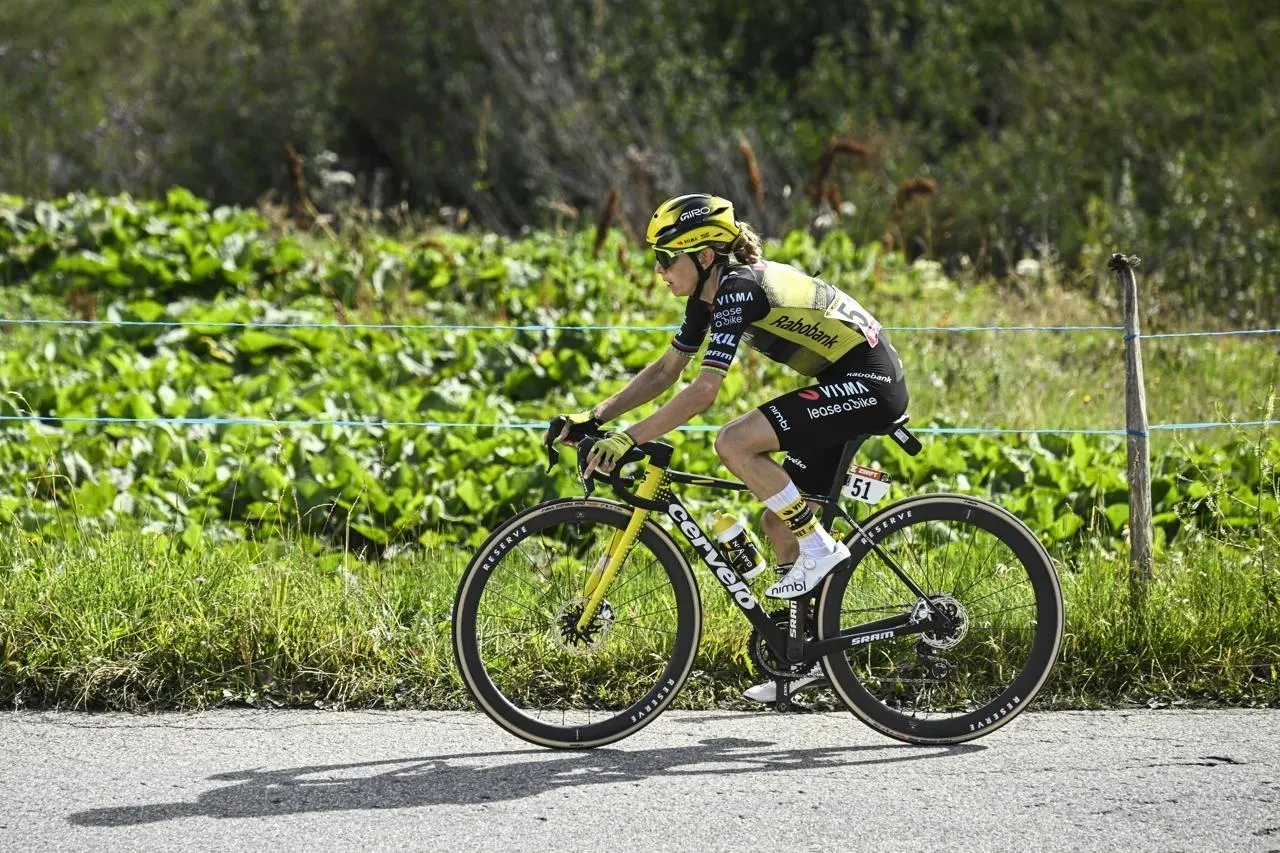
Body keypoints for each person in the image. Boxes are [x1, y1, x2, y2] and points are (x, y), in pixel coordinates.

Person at [555, 192, 909, 703]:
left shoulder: (739, 288)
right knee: (778, 524)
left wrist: (630, 438)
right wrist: (595, 417)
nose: (658, 270)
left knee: (734, 442)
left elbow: (704, 391)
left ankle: (821, 547)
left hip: (869, 385)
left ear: (704, 256)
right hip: (844, 381)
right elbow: (666, 371)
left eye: (666, 258)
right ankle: (803, 658)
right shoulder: (708, 296)